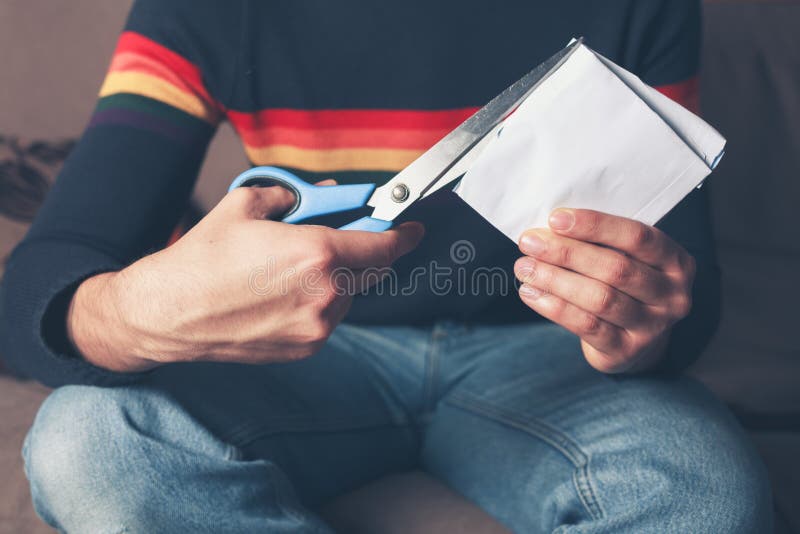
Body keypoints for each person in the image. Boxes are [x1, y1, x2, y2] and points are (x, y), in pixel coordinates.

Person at [0, 1, 772, 532]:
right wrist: (137, 314)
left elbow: (685, 289)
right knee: (86, 444)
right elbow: (34, 292)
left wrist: (640, 322)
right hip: (298, 356)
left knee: (707, 491)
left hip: (551, 360)